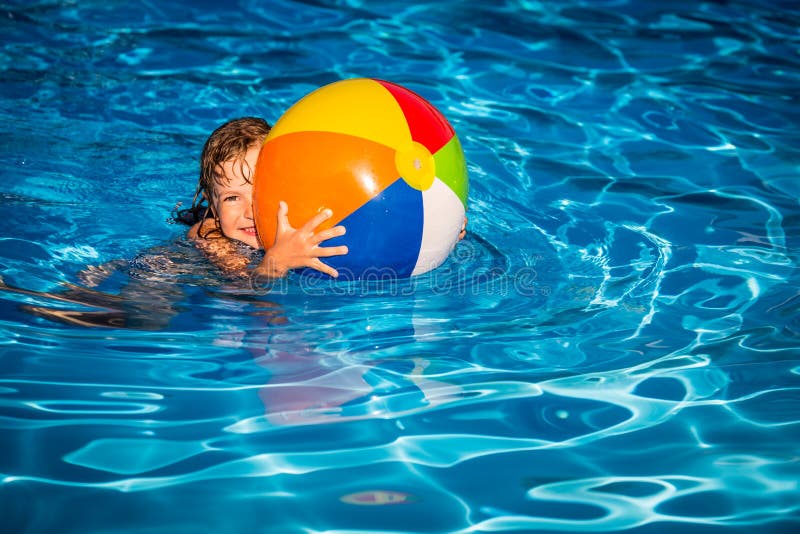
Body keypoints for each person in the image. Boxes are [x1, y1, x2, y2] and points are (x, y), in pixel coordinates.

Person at [174, 117, 348, 279]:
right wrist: (277, 262)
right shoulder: (208, 236)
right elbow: (243, 286)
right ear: (213, 205)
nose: (251, 213)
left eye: (262, 192)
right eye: (232, 198)